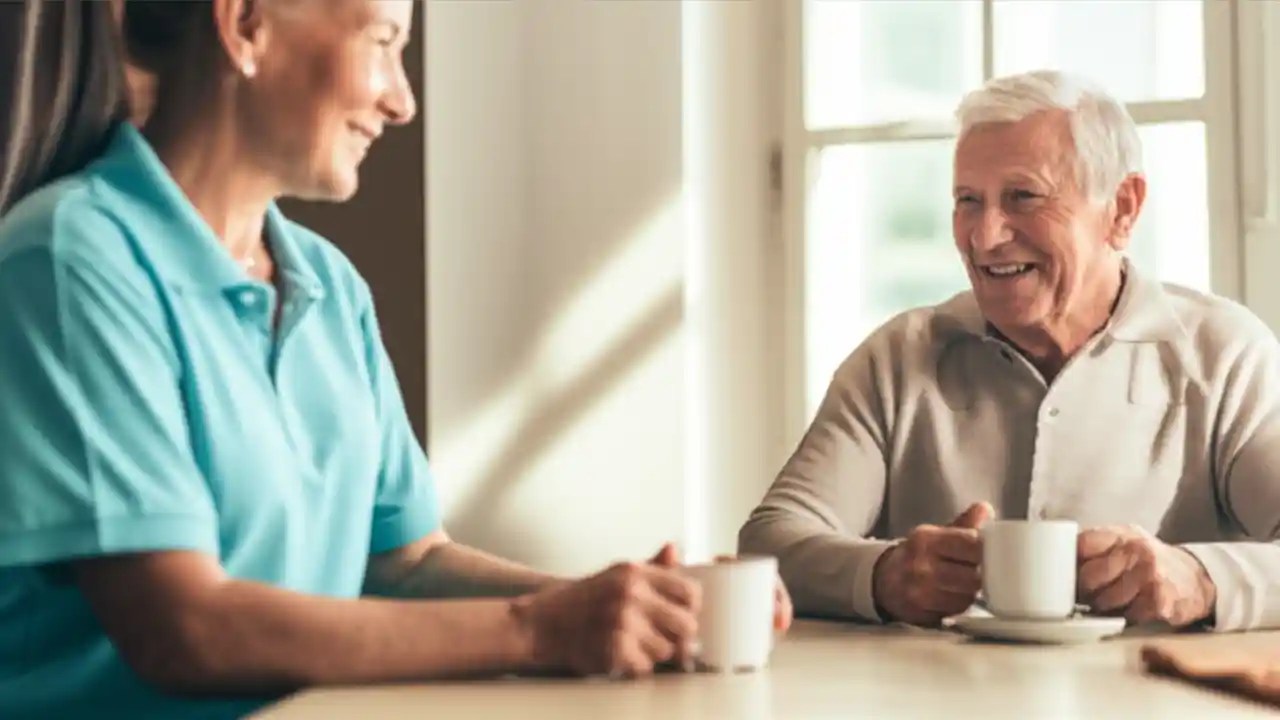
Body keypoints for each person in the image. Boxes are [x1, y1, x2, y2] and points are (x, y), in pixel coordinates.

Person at [0, 2, 790, 717]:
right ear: (242, 25)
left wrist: (634, 605)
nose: (401, 100)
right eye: (382, 42)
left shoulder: (328, 285)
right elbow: (185, 629)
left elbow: (404, 559)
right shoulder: (70, 260)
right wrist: (539, 629)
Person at [740, 69, 1280, 634]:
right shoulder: (897, 360)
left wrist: (1201, 577)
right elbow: (773, 541)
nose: (985, 236)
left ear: (1122, 209)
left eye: (1022, 197)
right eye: (968, 201)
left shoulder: (1226, 356)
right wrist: (882, 573)